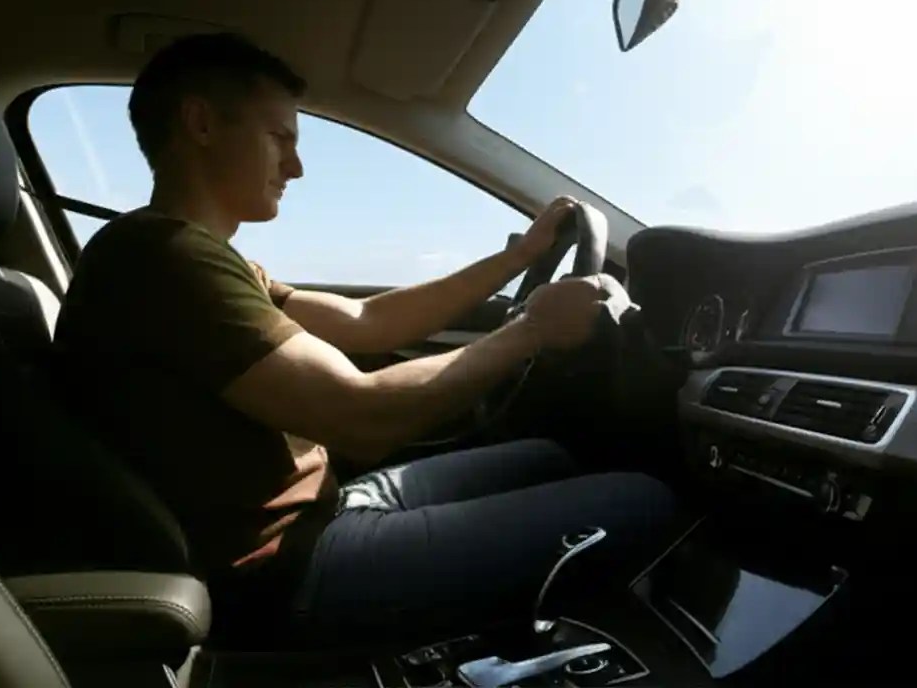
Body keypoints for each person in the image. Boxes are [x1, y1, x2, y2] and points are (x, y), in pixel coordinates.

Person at [54, 32, 679, 646]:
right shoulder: (162, 259)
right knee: (644, 498)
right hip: (284, 571)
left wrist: (520, 258)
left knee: (554, 458)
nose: (295, 168)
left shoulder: (206, 258)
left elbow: (368, 323)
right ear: (201, 124)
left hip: (324, 509)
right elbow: (364, 415)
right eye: (280, 139)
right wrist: (534, 327)